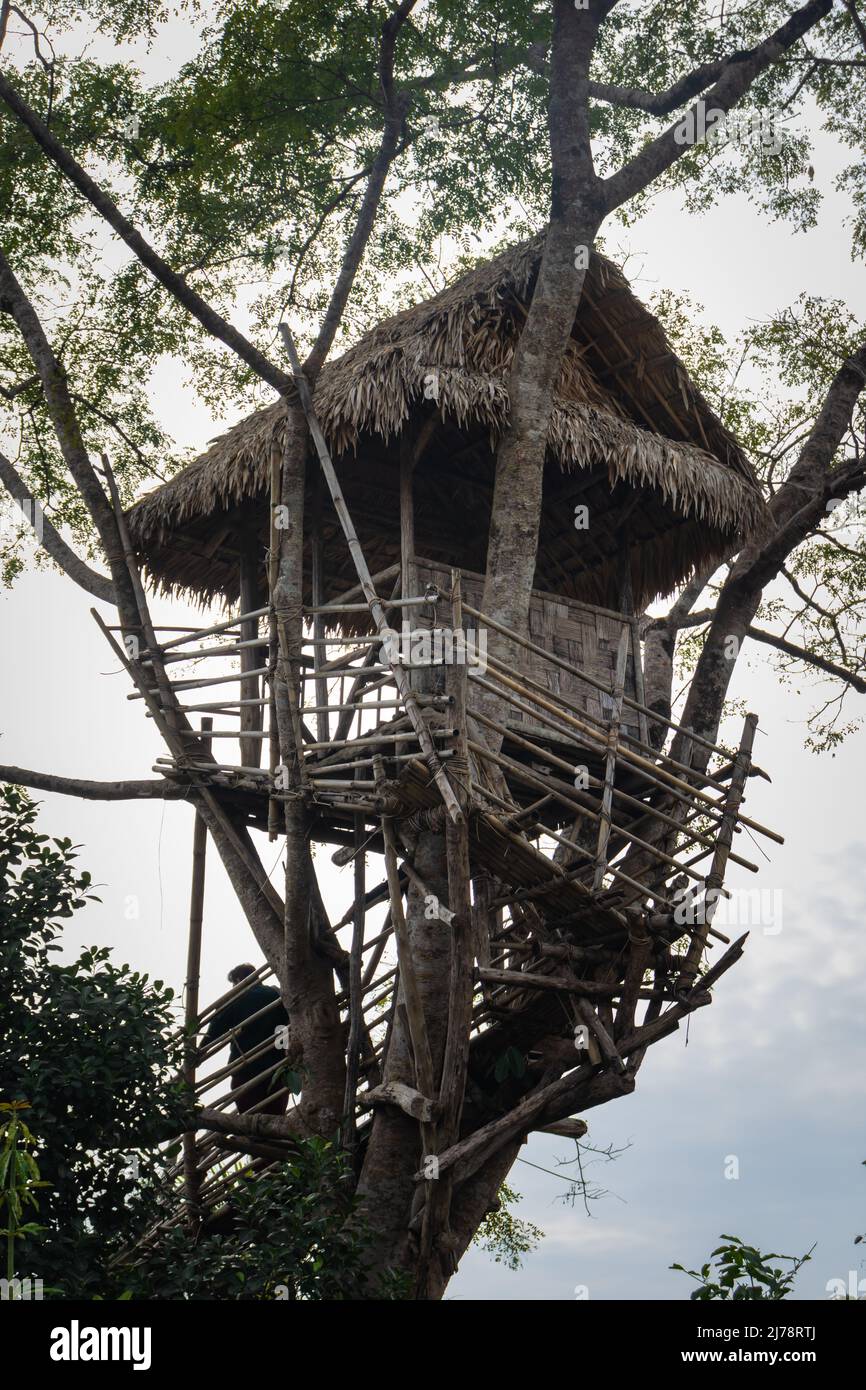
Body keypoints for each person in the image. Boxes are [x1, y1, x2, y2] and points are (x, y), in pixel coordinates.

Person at [204, 964, 290, 1116]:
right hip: (278, 1070)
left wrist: (200, 1051)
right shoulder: (278, 995)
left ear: (238, 980)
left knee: (251, 1122)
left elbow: (216, 1028)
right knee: (275, 1119)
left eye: (233, 984)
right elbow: (286, 1029)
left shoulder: (237, 998)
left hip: (246, 1069)